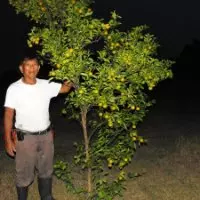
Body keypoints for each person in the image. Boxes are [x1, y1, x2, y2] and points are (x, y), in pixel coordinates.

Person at [3, 56, 74, 200]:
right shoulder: (14, 89)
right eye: (28, 65)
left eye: (35, 65)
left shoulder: (46, 84)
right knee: (24, 172)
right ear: (21, 68)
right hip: (25, 138)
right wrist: (7, 140)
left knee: (46, 168)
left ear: (39, 68)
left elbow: (65, 89)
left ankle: (46, 196)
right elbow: (8, 114)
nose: (32, 68)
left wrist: (71, 74)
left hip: (46, 136)